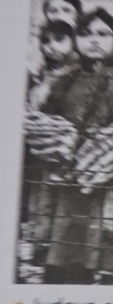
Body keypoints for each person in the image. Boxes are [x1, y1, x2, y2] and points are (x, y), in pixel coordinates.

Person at [24, 8, 113, 284]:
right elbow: (31, 121)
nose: (94, 41)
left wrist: (104, 149)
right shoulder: (58, 81)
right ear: (76, 39)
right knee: (63, 264)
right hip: (64, 189)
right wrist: (61, 137)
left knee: (110, 266)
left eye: (103, 34)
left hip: (112, 186)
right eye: (86, 34)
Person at [19, 21, 79, 283]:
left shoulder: (75, 72)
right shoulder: (43, 73)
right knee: (40, 203)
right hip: (42, 154)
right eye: (47, 41)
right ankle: (40, 253)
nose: (52, 47)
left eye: (60, 40)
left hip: (63, 152)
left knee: (60, 205)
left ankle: (57, 256)